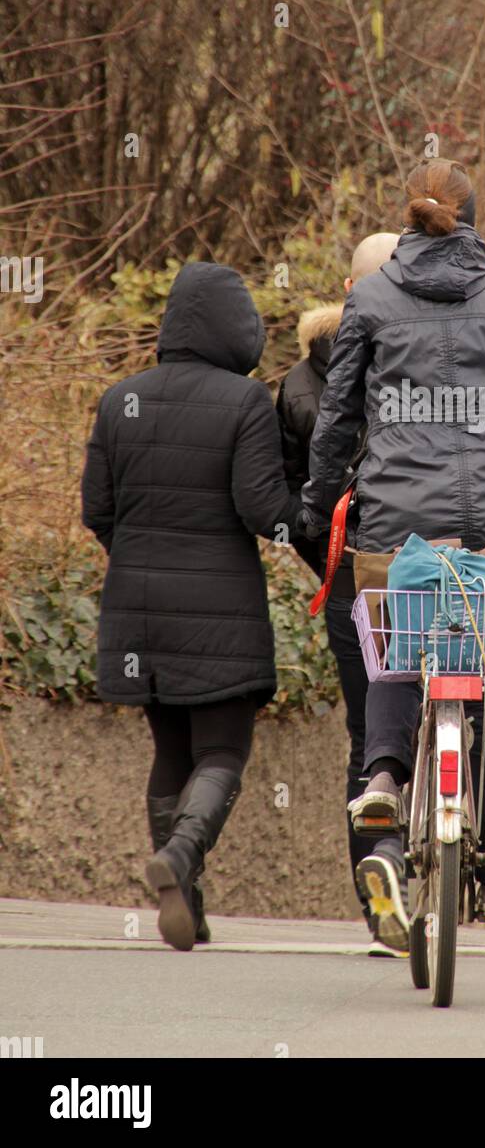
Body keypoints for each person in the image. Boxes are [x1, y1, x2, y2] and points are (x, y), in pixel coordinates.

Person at [295, 158, 485, 951]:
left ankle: (385, 778)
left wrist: (317, 506)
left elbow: (337, 418)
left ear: (408, 219)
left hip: (395, 516)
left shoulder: (372, 299)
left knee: (397, 654)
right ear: (472, 220)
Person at [81, 262, 297, 952]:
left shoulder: (121, 399)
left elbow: (97, 511)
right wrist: (313, 516)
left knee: (171, 749)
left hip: (135, 608)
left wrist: (138, 557)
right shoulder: (245, 401)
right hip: (221, 606)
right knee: (223, 749)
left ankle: (188, 904)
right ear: (237, 328)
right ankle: (179, 857)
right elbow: (262, 510)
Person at [276, 232, 400, 955]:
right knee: (441, 711)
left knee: (368, 734)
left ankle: (381, 899)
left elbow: (298, 501)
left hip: (352, 572)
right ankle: (433, 863)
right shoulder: (440, 357)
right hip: (425, 566)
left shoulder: (298, 382)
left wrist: (329, 560)